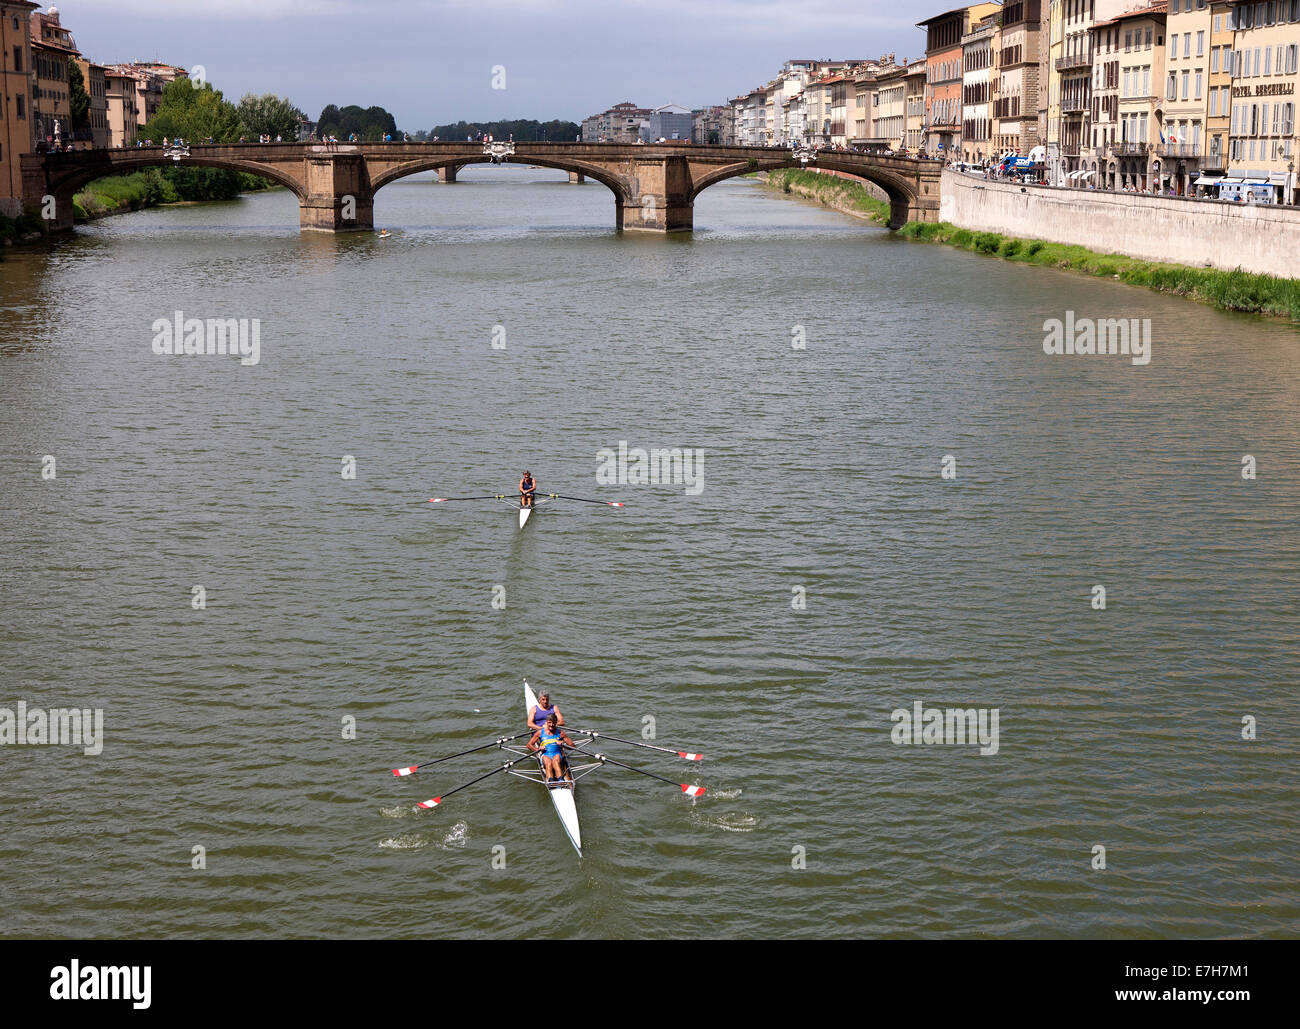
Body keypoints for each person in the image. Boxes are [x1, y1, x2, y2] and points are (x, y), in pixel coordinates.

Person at [529, 714, 575, 784]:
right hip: (545, 754)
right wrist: (538, 749)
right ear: (546, 722)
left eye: (553, 723)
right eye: (549, 723)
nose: (551, 725)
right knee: (548, 763)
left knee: (555, 762)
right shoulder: (540, 732)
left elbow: (573, 746)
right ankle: (551, 781)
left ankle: (561, 780)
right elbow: (529, 745)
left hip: (557, 754)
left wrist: (562, 743)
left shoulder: (561, 733)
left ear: (556, 723)